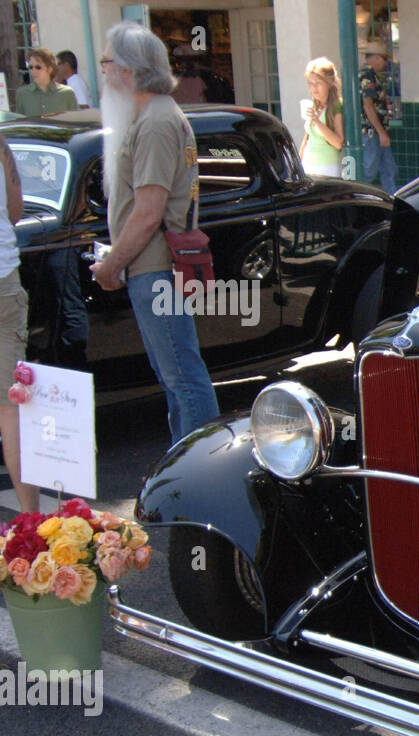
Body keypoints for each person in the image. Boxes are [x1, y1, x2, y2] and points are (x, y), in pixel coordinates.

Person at [90, 21, 219, 445]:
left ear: (129, 69)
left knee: (182, 378)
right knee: (177, 378)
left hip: (156, 269)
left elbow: (148, 213)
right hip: (154, 269)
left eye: (107, 61)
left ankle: (198, 471)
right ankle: (186, 472)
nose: (102, 70)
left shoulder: (157, 122)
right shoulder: (154, 116)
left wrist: (112, 264)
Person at [0, 133, 40, 513]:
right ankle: (31, 522)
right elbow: (14, 211)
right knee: (11, 407)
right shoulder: (1, 145)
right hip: (3, 278)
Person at [358, 40, 397, 192]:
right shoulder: (367, 75)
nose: (385, 63)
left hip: (377, 132)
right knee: (369, 172)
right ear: (377, 58)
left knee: (389, 169)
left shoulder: (371, 75)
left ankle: (392, 201)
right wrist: (381, 133)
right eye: (384, 59)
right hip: (372, 132)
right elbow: (368, 105)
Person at [300, 57, 345, 176]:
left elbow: (338, 143)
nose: (313, 88)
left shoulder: (335, 106)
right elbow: (308, 137)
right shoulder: (315, 104)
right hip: (307, 166)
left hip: (326, 167)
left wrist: (317, 121)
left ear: (329, 84)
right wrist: (298, 163)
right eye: (311, 83)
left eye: (318, 83)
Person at [15, 48, 79, 117]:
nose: (33, 71)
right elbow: (20, 124)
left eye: (38, 67)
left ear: (50, 69)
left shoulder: (67, 93)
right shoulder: (22, 94)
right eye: (30, 67)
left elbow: (75, 122)